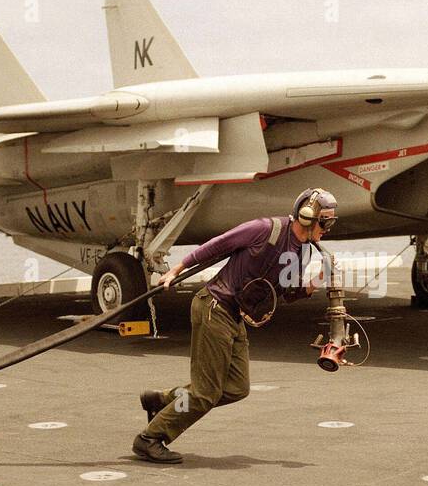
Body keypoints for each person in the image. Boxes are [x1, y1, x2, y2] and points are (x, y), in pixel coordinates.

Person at [132, 188, 337, 464]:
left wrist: (316, 282)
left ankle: (164, 401)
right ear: (307, 216)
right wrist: (175, 270)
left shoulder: (302, 254)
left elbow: (286, 293)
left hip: (234, 317)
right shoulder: (265, 230)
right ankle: (150, 439)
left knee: (237, 388)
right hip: (214, 306)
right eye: (325, 222)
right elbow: (218, 245)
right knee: (206, 393)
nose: (328, 229)